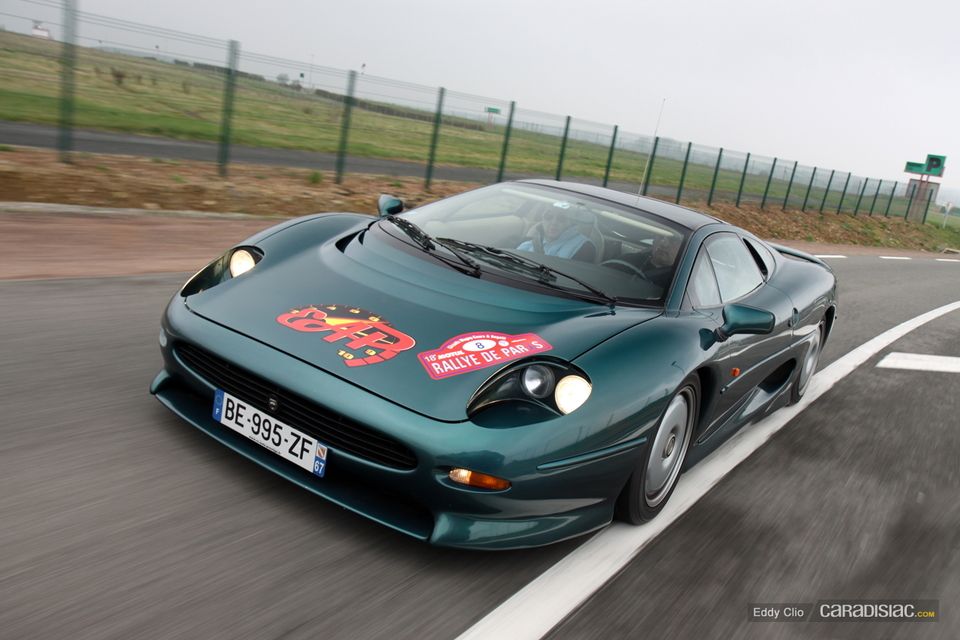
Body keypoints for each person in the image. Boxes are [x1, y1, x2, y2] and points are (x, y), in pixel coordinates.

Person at [516, 208, 596, 261]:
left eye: (561, 218)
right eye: (549, 217)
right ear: (542, 220)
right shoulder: (530, 241)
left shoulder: (585, 247)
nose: (554, 222)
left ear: (571, 223)